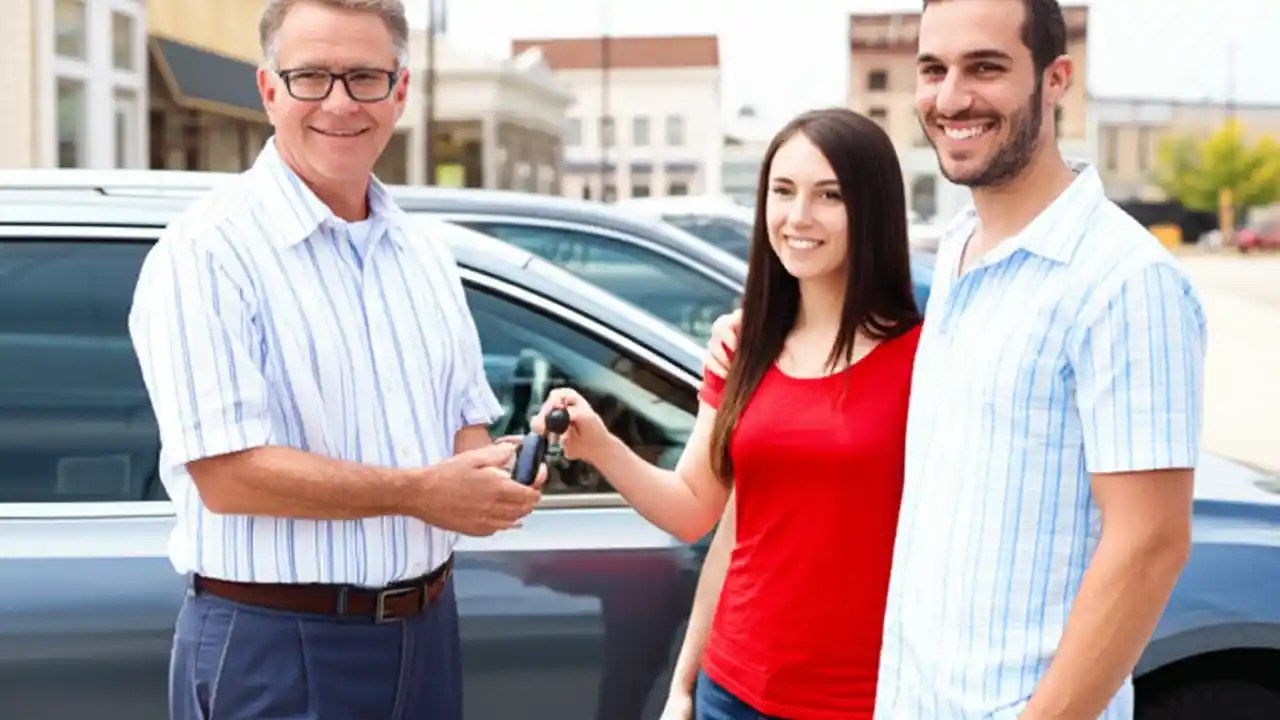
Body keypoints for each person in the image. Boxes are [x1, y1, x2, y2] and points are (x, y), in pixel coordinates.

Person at [702, 1, 1208, 718]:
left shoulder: (1124, 280)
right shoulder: (958, 259)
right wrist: (755, 330)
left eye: (986, 68)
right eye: (933, 70)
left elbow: (1151, 543)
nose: (950, 98)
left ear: (1056, 78)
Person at [127, 1, 543, 718]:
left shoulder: (425, 255)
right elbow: (228, 474)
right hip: (276, 647)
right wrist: (421, 491)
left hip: (426, 634)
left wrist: (496, 472)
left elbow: (463, 429)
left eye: (364, 77)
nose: (340, 103)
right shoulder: (208, 254)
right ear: (268, 90)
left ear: (400, 91)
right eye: (311, 77)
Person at [532, 107, 923, 719]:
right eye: (783, 191)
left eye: (829, 196)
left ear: (869, 211)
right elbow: (707, 519)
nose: (798, 218)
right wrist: (685, 684)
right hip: (733, 691)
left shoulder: (925, 360)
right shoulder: (743, 346)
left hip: (865, 700)